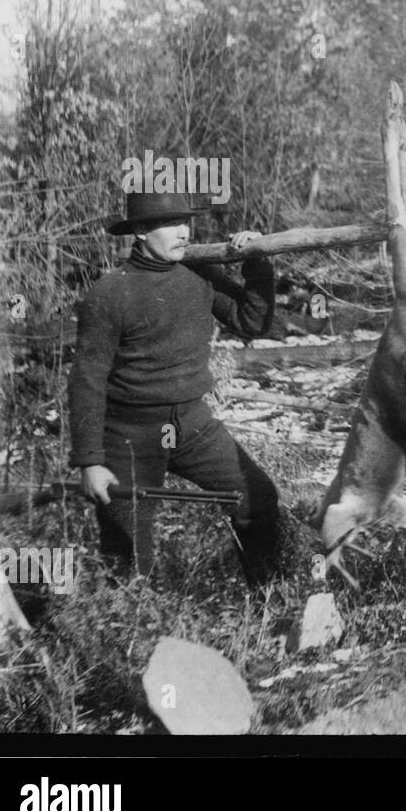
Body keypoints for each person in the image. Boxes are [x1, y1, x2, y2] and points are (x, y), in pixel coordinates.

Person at [68, 187, 283, 583]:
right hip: (127, 433)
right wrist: (90, 462)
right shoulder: (109, 293)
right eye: (170, 224)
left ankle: (268, 601)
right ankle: (128, 630)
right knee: (128, 555)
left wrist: (258, 261)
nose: (183, 232)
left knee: (258, 499)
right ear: (140, 231)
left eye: (185, 222)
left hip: (191, 423)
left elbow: (253, 322)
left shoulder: (200, 275)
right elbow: (87, 380)